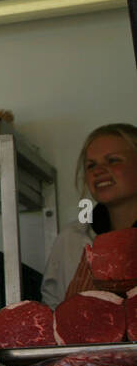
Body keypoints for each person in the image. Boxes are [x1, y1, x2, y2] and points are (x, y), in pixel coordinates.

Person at [41, 123, 137, 307]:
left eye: (113, 160)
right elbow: (53, 308)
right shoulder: (71, 239)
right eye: (91, 165)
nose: (98, 171)